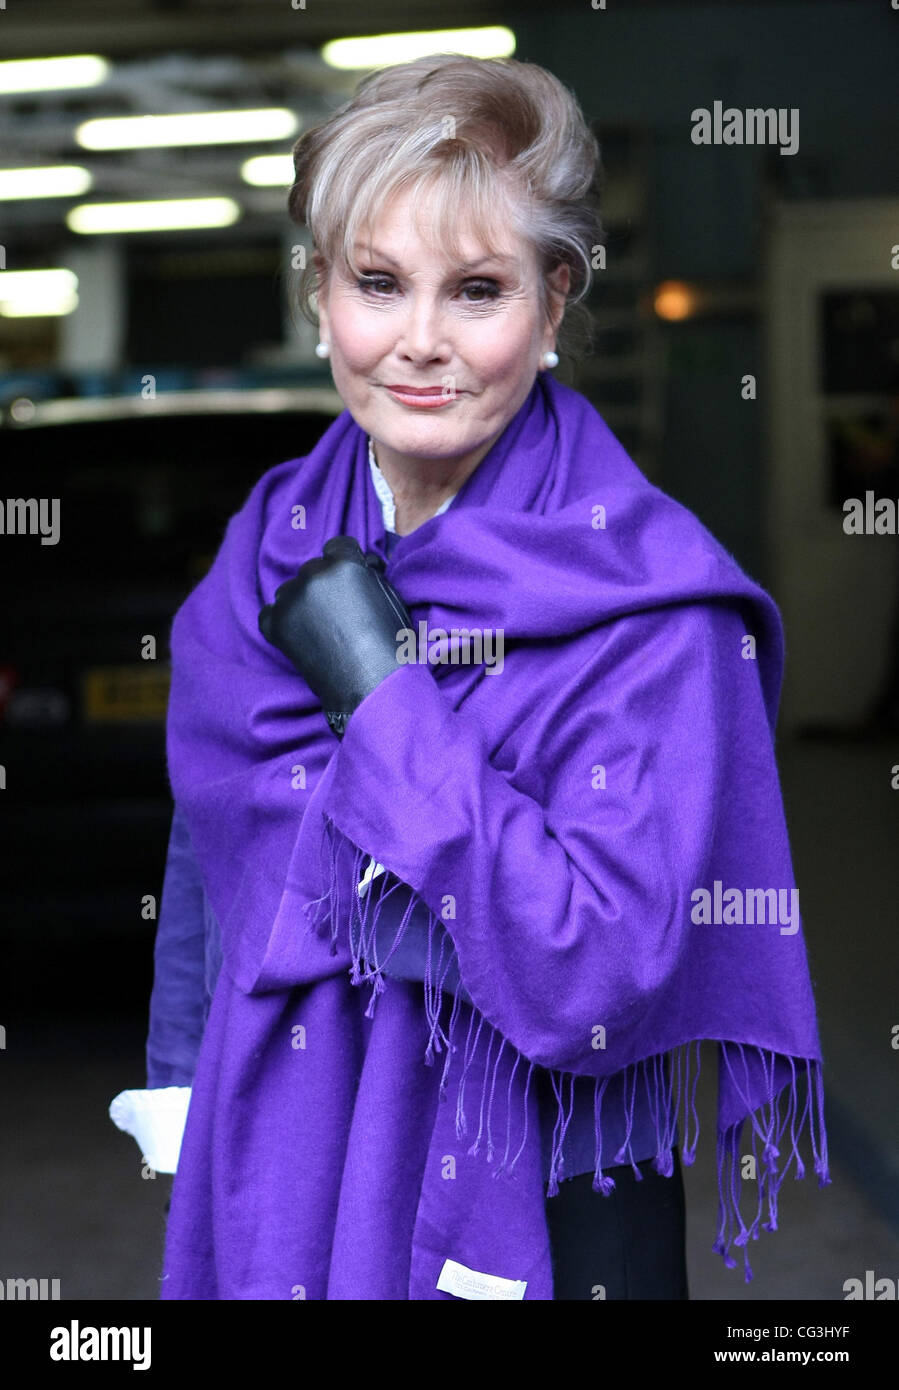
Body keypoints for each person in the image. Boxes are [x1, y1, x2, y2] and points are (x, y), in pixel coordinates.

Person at [119, 53, 830, 1301]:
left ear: (554, 304)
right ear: (319, 293)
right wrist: (183, 1092)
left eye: (480, 290)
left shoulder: (654, 603)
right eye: (378, 284)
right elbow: (207, 867)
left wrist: (386, 700)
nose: (420, 344)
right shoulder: (270, 539)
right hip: (277, 1156)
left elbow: (595, 962)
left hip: (544, 1195)